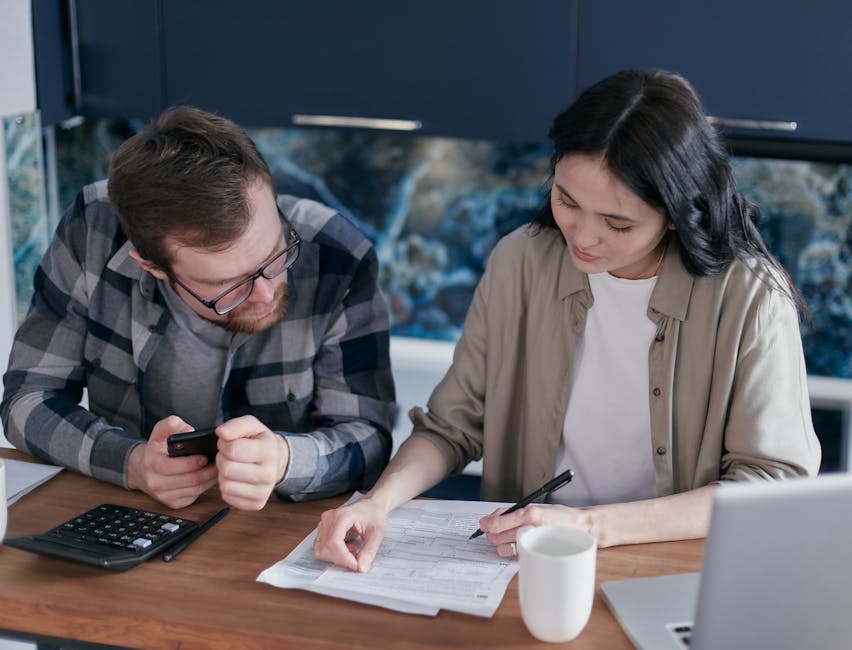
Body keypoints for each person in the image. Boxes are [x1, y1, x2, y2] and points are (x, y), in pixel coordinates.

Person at [313, 69, 821, 572]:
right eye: (567, 200)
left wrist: (590, 528)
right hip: (524, 562)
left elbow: (770, 483)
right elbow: (452, 426)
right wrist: (377, 503)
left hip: (671, 569)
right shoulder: (522, 261)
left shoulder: (750, 296)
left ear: (674, 212)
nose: (583, 236)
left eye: (617, 223)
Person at [1, 106, 395, 511]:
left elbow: (370, 439)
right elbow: (27, 398)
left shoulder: (336, 252)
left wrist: (284, 460)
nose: (264, 292)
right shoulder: (94, 229)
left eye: (276, 255)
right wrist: (130, 462)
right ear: (151, 265)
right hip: (132, 514)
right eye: (227, 285)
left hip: (275, 530)